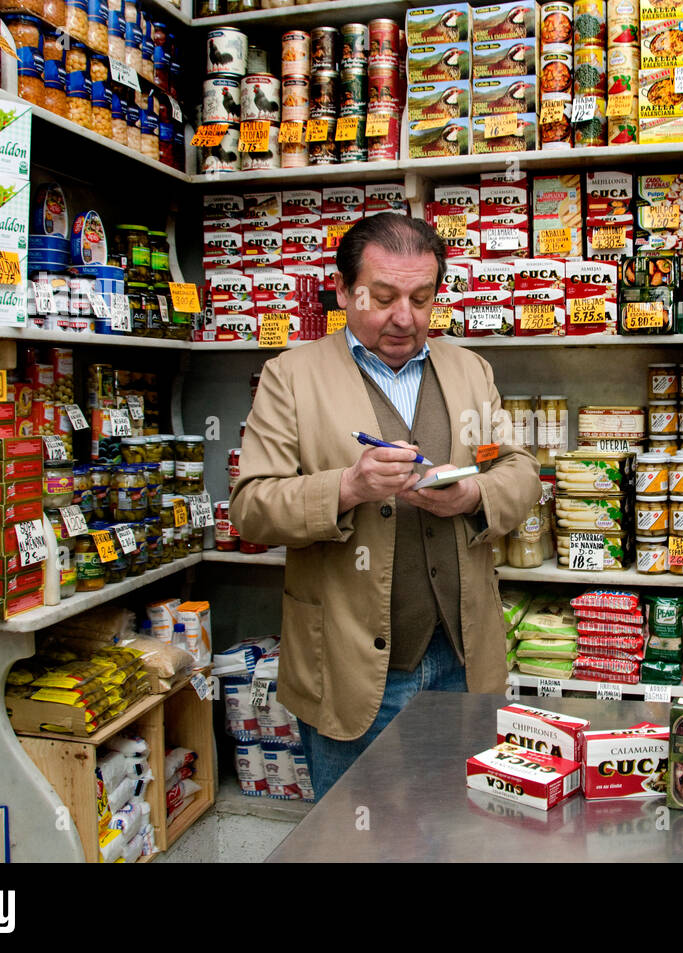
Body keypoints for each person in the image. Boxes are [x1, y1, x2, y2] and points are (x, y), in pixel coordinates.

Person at [230, 213, 543, 800]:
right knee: (356, 838)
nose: (405, 317)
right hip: (350, 665)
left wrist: (474, 494)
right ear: (345, 292)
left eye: (422, 298)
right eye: (383, 297)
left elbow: (520, 469)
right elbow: (251, 507)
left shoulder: (470, 369)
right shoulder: (291, 377)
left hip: (463, 658)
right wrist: (347, 487)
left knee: (462, 829)